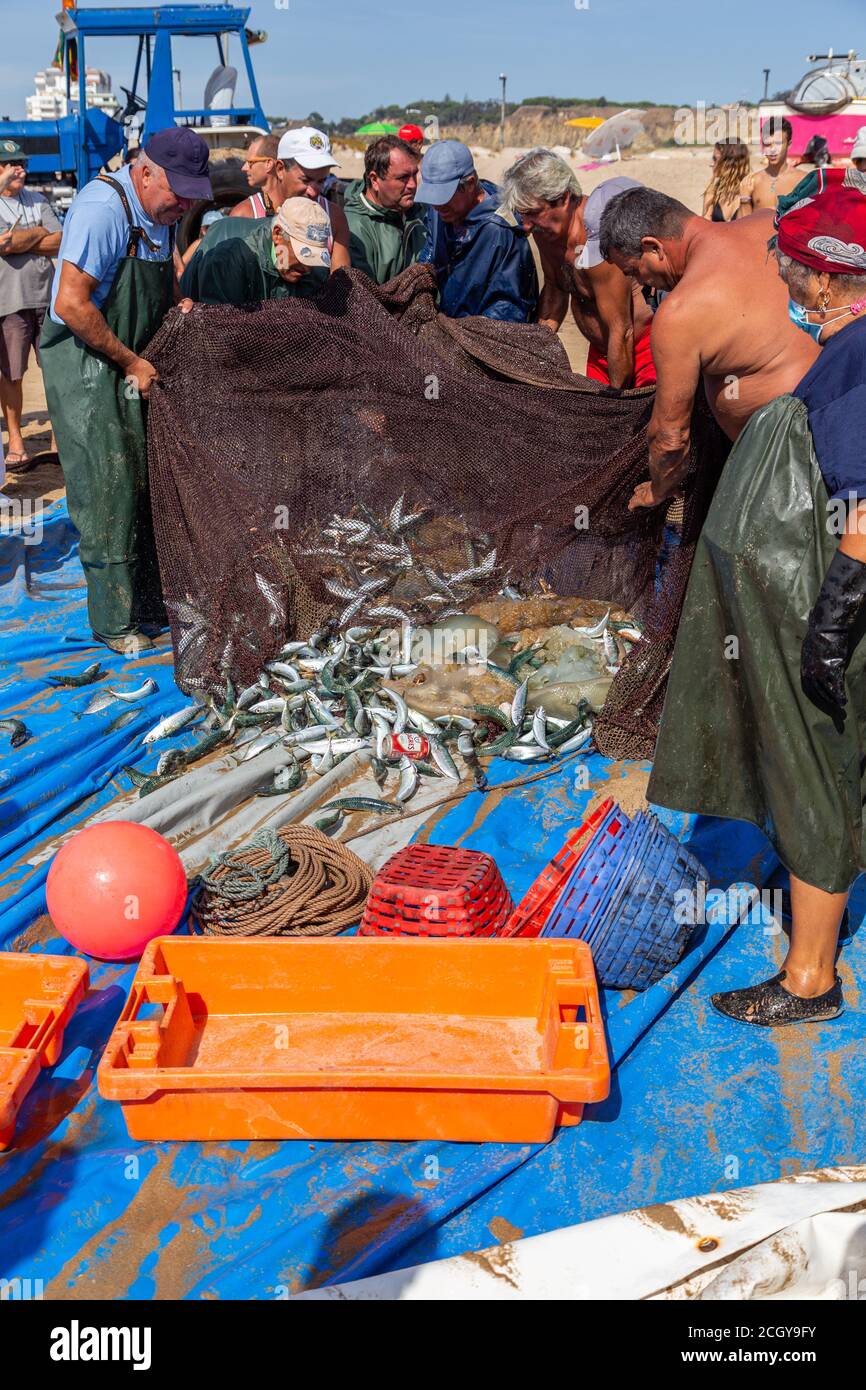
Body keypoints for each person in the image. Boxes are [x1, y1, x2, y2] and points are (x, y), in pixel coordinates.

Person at [647, 172, 866, 1027]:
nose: (778, 275)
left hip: (834, 601)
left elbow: (861, 504)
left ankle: (811, 977)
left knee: (815, 766)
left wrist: (832, 622)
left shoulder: (852, 363)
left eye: (789, 264)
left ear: (823, 278)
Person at [41, 129, 212, 655]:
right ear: (144, 172)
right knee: (106, 483)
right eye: (176, 192)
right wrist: (132, 361)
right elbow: (71, 304)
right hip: (86, 363)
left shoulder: (163, 212)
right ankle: (114, 623)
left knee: (145, 476)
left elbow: (168, 273)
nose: (183, 204)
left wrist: (179, 303)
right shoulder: (103, 209)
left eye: (191, 194)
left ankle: (151, 600)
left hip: (132, 361)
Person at [598, 186, 818, 508]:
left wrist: (658, 490)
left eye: (634, 271)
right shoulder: (771, 222)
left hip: (792, 469)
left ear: (653, 247)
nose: (642, 283)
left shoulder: (680, 313)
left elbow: (671, 439)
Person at [500, 148, 655, 388]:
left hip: (642, 347)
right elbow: (555, 288)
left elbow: (621, 330)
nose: (527, 226)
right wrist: (533, 352)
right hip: (602, 354)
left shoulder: (598, 235)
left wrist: (614, 400)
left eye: (532, 213)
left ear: (563, 198)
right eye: (522, 215)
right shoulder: (546, 232)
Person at [415, 139, 538, 320]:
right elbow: (431, 252)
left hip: (483, 333)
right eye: (433, 197)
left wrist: (467, 333)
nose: (438, 205)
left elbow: (511, 305)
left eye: (444, 196)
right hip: (447, 320)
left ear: (470, 183)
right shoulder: (438, 211)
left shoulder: (501, 230)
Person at [0, 139, 61, 474]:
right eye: (11, 164)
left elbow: (59, 240)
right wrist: (38, 236)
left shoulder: (38, 200)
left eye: (21, 163)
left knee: (54, 371)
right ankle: (16, 442)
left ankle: (57, 441)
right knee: (12, 373)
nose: (20, 169)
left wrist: (20, 240)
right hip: (9, 300)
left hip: (46, 299)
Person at [180, 196, 330, 305]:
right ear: (277, 234)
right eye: (303, 254)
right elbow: (218, 333)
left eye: (314, 258)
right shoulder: (229, 261)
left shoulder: (317, 271)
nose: (308, 268)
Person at [343, 135, 427, 284]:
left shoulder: (423, 213)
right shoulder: (353, 228)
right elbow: (364, 299)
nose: (413, 185)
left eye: (415, 174)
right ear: (375, 180)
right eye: (403, 178)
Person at [739, 117, 801, 214]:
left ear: (789, 144)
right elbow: (742, 225)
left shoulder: (802, 180)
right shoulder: (753, 182)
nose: (772, 149)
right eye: (767, 144)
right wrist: (744, 200)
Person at [702, 140, 750, 222]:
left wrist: (745, 199)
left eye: (715, 159)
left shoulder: (751, 190)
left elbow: (750, 226)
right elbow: (704, 227)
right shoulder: (712, 191)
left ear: (730, 162)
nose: (711, 164)